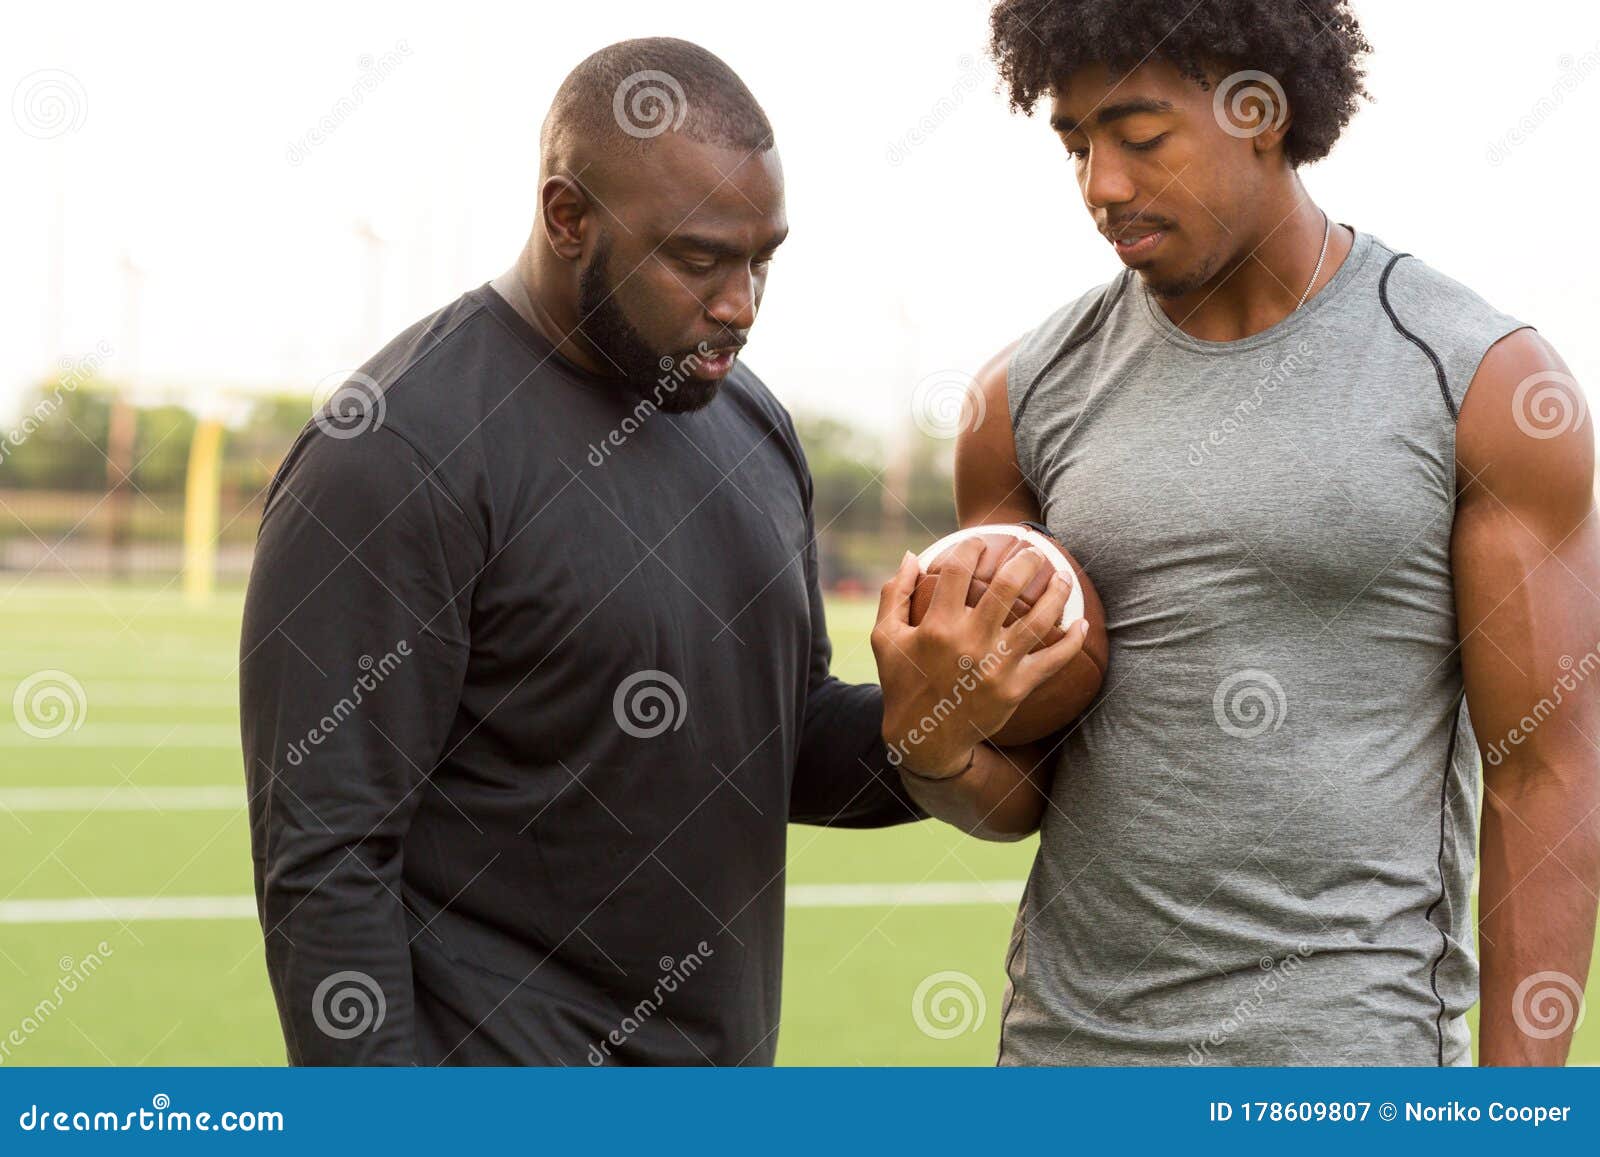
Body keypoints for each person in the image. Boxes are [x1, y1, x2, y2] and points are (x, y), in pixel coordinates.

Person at [239, 37, 1084, 1066]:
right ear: (567, 216)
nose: (740, 302)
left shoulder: (752, 423)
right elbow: (326, 861)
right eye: (697, 258)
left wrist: (945, 706)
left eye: (761, 257)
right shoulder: (395, 452)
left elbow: (780, 738)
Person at [937, 0, 1600, 1065]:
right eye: (1075, 144)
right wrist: (932, 740)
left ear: (1260, 108)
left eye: (1140, 137)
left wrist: (1517, 1109)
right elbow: (1012, 793)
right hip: (1063, 1063)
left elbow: (1547, 774)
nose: (1102, 185)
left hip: (1349, 1064)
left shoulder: (1481, 380)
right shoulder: (1018, 401)